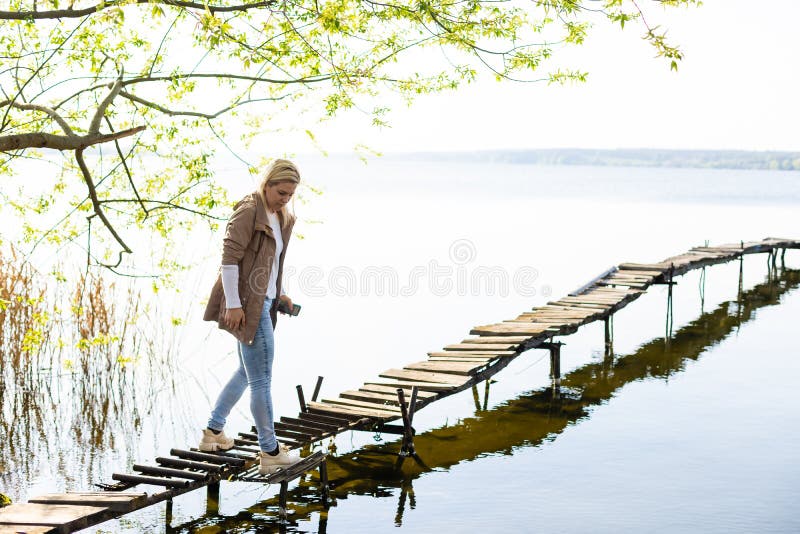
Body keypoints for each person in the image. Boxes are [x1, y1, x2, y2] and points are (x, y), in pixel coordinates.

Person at [200, 159, 302, 475]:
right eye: (281, 192)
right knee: (261, 378)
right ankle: (270, 452)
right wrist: (233, 305)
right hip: (247, 306)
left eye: (290, 194)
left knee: (247, 372)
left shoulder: (280, 215)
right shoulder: (249, 211)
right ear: (267, 184)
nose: (285, 198)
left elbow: (271, 261)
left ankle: (213, 433)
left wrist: (280, 291)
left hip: (266, 302)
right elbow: (229, 261)